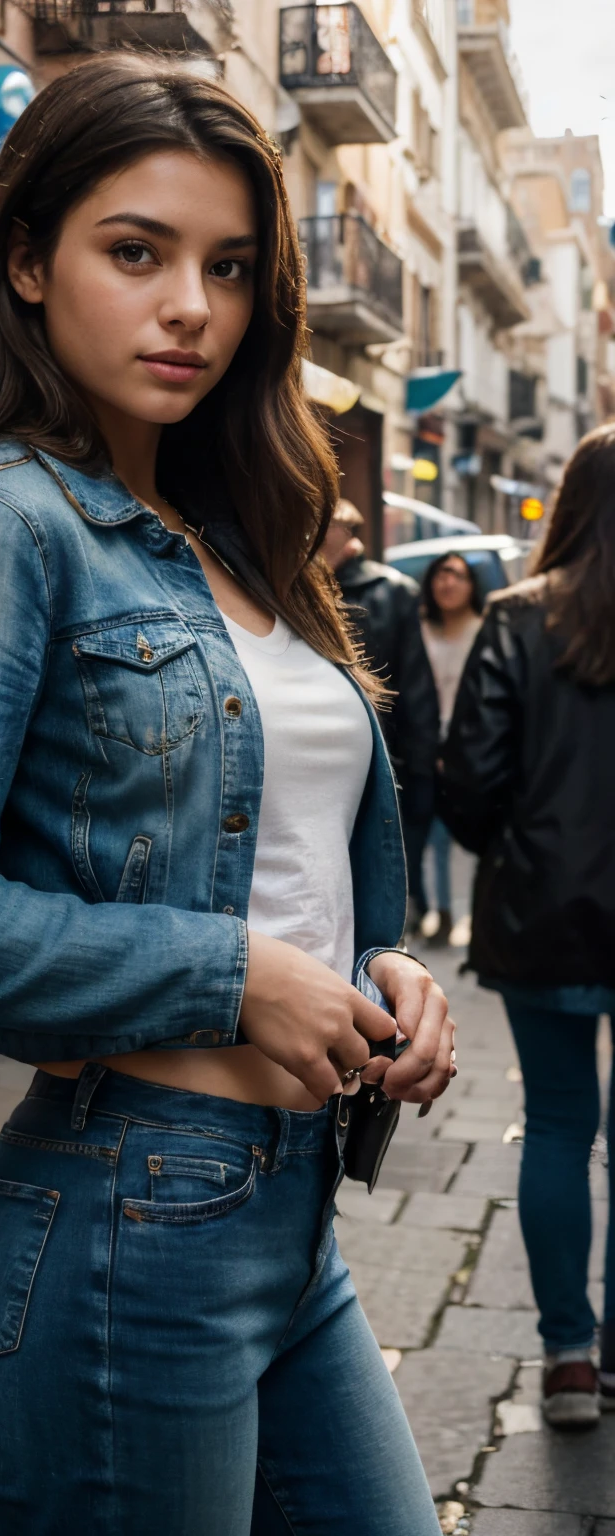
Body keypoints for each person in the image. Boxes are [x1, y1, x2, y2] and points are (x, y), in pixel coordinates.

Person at [0, 56, 456, 1533]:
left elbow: (272, 846)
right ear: (32, 264)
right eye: (138, 252)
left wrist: (379, 966)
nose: (192, 305)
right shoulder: (6, 524)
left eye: (229, 268)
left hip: (291, 1205)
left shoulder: (235, 537)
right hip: (129, 1218)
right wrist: (234, 975)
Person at [439, 422, 615, 1430]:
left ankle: (567, 1359)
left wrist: (514, 842)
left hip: (541, 912)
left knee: (556, 1124)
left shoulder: (515, 621)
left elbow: (468, 785)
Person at [322, 501, 440, 931]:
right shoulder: (297, 584)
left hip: (389, 753)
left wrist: (423, 761)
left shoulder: (393, 590)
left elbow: (415, 684)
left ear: (343, 530)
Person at [418, 552, 484, 946]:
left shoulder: (486, 629)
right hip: (429, 744)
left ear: (471, 585)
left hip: (474, 747)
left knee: (479, 833)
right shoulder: (420, 629)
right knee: (436, 837)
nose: (447, 583)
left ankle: (476, 916)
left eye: (457, 575)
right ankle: (441, 912)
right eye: (440, 575)